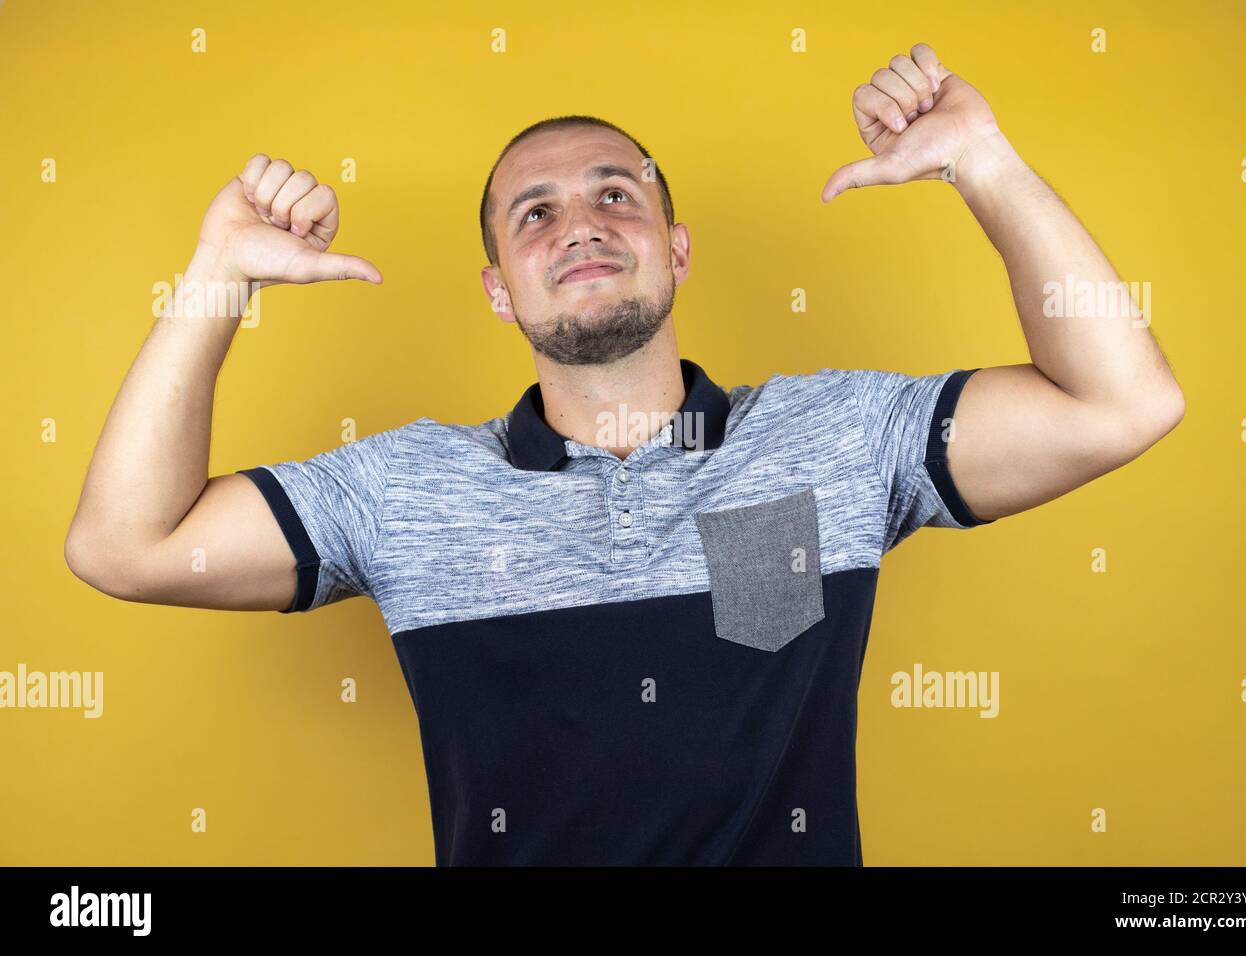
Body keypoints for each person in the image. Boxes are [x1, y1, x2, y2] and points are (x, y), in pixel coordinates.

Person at [64, 43, 1184, 866]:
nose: (582, 225)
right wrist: (217, 273)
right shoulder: (400, 490)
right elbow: (125, 544)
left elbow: (1120, 402)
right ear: (500, 288)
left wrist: (981, 161)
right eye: (534, 214)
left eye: (617, 193)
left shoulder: (834, 439)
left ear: (676, 247)